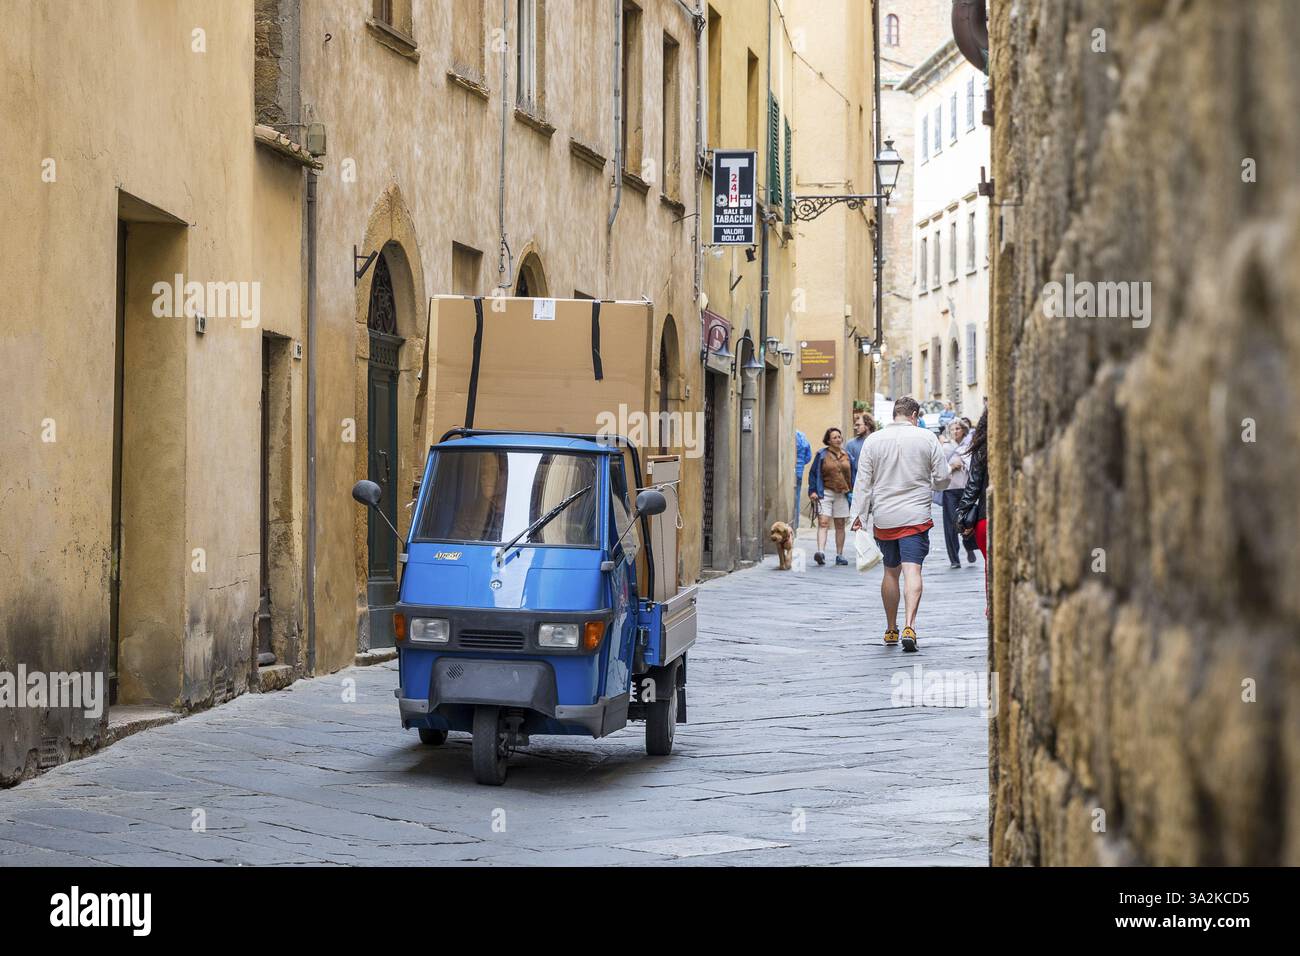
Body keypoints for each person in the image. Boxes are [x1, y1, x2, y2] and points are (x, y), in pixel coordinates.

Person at [849, 396, 949, 652]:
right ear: (914, 414)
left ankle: (891, 628)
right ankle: (909, 626)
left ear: (895, 414)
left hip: (885, 518)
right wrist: (932, 485)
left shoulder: (874, 440)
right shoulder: (926, 438)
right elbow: (943, 478)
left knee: (890, 572)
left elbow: (863, 482)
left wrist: (858, 516)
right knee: (912, 571)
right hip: (915, 517)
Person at [808, 427, 855, 566]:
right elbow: (813, 474)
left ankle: (839, 555)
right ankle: (820, 552)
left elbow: (854, 474)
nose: (838, 439)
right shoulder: (821, 455)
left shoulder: (848, 456)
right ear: (828, 440)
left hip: (842, 494)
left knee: (840, 525)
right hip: (825, 493)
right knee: (823, 522)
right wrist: (812, 491)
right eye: (834, 437)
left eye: (839, 437)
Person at [957, 409, 989, 613]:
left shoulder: (982, 448)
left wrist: (962, 515)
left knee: (991, 569)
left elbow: (973, 486)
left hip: (985, 522)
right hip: (989, 518)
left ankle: (993, 608)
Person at [941, 419, 978, 569]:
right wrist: (951, 466)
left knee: (967, 521)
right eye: (952, 429)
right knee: (950, 524)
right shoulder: (945, 448)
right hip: (949, 489)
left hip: (965, 489)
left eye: (957, 429)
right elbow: (938, 469)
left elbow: (975, 465)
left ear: (963, 430)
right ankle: (954, 559)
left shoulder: (969, 446)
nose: (955, 431)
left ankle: (969, 546)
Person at [793, 430, 812, 528]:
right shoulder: (802, 436)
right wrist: (801, 464)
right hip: (799, 472)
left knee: (791, 500)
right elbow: (809, 457)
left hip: (791, 470)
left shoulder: (791, 434)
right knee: (797, 499)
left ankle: (791, 524)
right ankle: (796, 525)